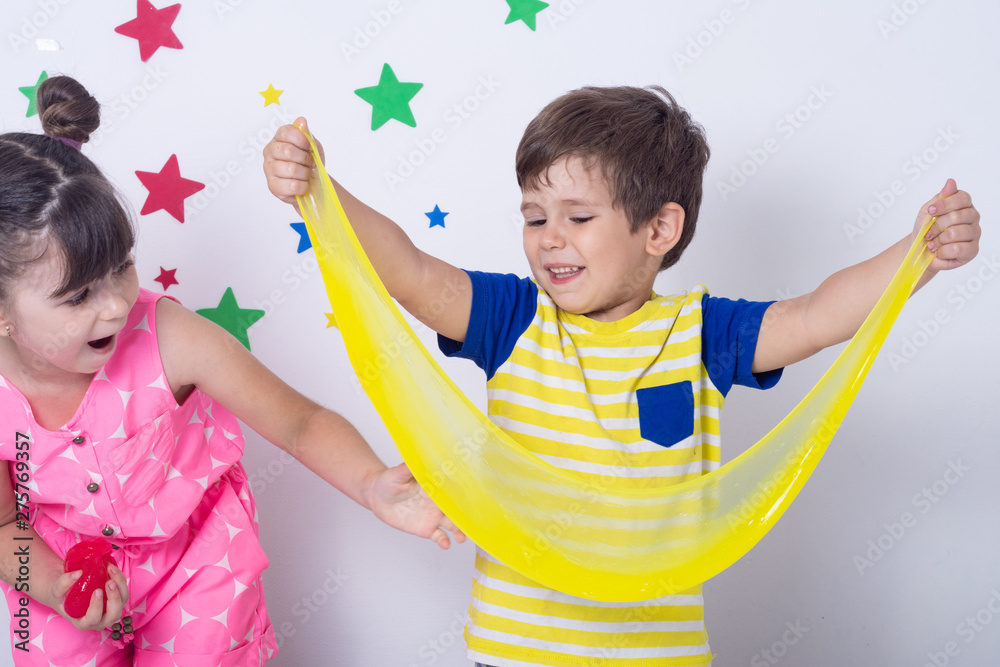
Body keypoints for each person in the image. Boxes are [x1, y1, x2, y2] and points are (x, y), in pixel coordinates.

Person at [262, 85, 980, 666]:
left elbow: (818, 314)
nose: (549, 238)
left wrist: (918, 254)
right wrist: (320, 191)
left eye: (577, 215)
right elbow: (409, 269)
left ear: (659, 231)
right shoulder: (513, 318)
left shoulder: (702, 332)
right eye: (534, 215)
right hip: (518, 652)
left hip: (657, 657)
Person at [0, 75, 463, 667]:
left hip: (196, 569)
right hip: (59, 568)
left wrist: (372, 484)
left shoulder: (170, 339)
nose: (115, 304)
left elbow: (300, 422)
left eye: (122, 269)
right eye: (78, 296)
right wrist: (50, 587)